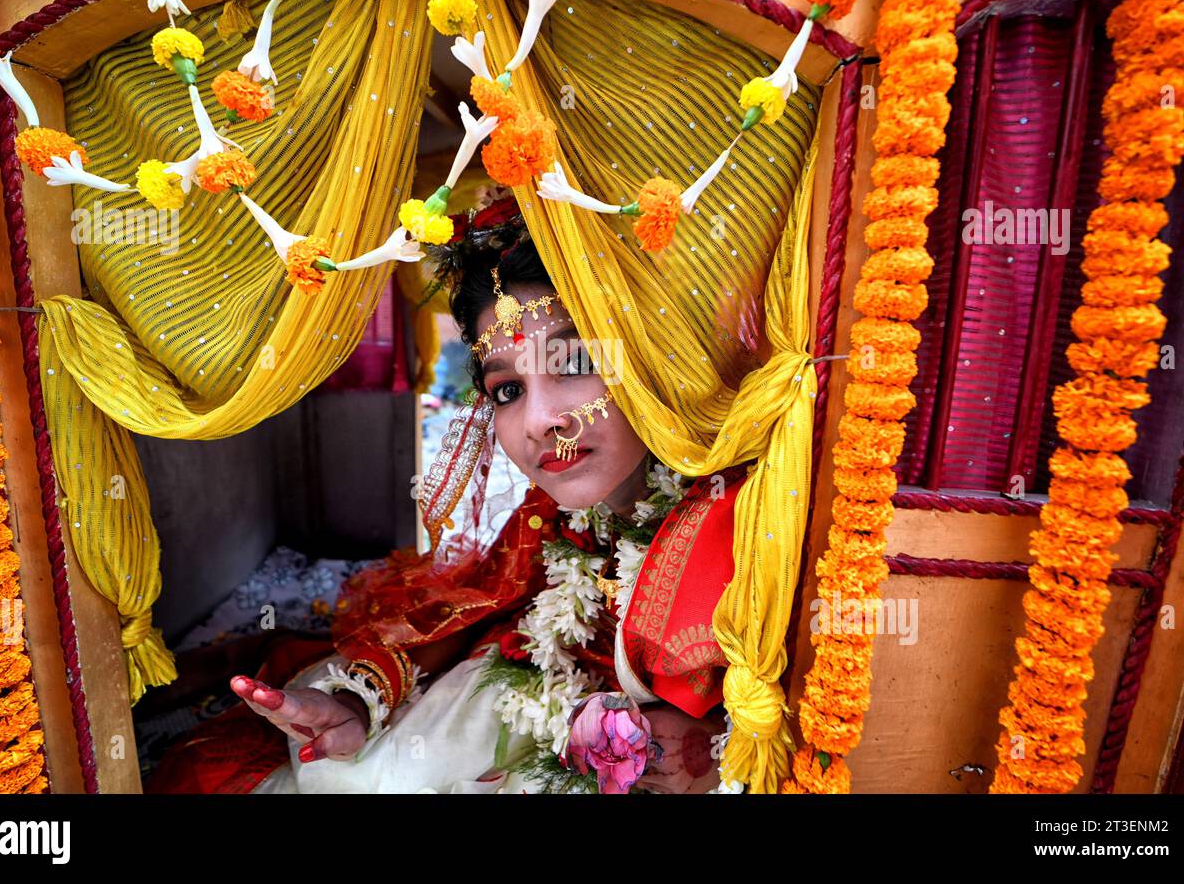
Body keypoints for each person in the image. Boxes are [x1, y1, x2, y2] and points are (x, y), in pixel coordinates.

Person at [147, 192, 754, 794]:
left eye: (572, 363)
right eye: (508, 391)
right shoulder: (552, 515)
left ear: (651, 359)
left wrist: (711, 742)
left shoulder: (742, 518)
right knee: (370, 776)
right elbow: (478, 604)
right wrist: (361, 704)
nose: (540, 419)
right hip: (538, 681)